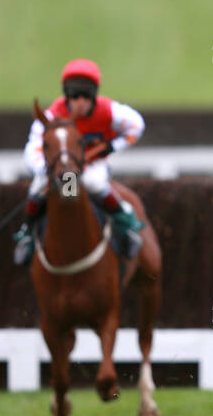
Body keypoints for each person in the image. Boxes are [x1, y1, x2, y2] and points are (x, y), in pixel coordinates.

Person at [12, 58, 146, 265]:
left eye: (87, 95)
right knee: (37, 189)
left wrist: (112, 147)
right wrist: (45, 170)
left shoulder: (111, 111)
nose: (81, 101)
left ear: (95, 95)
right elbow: (33, 149)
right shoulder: (51, 115)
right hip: (61, 171)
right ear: (67, 95)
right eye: (75, 95)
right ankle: (27, 234)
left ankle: (126, 223)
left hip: (92, 165)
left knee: (94, 183)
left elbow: (137, 125)